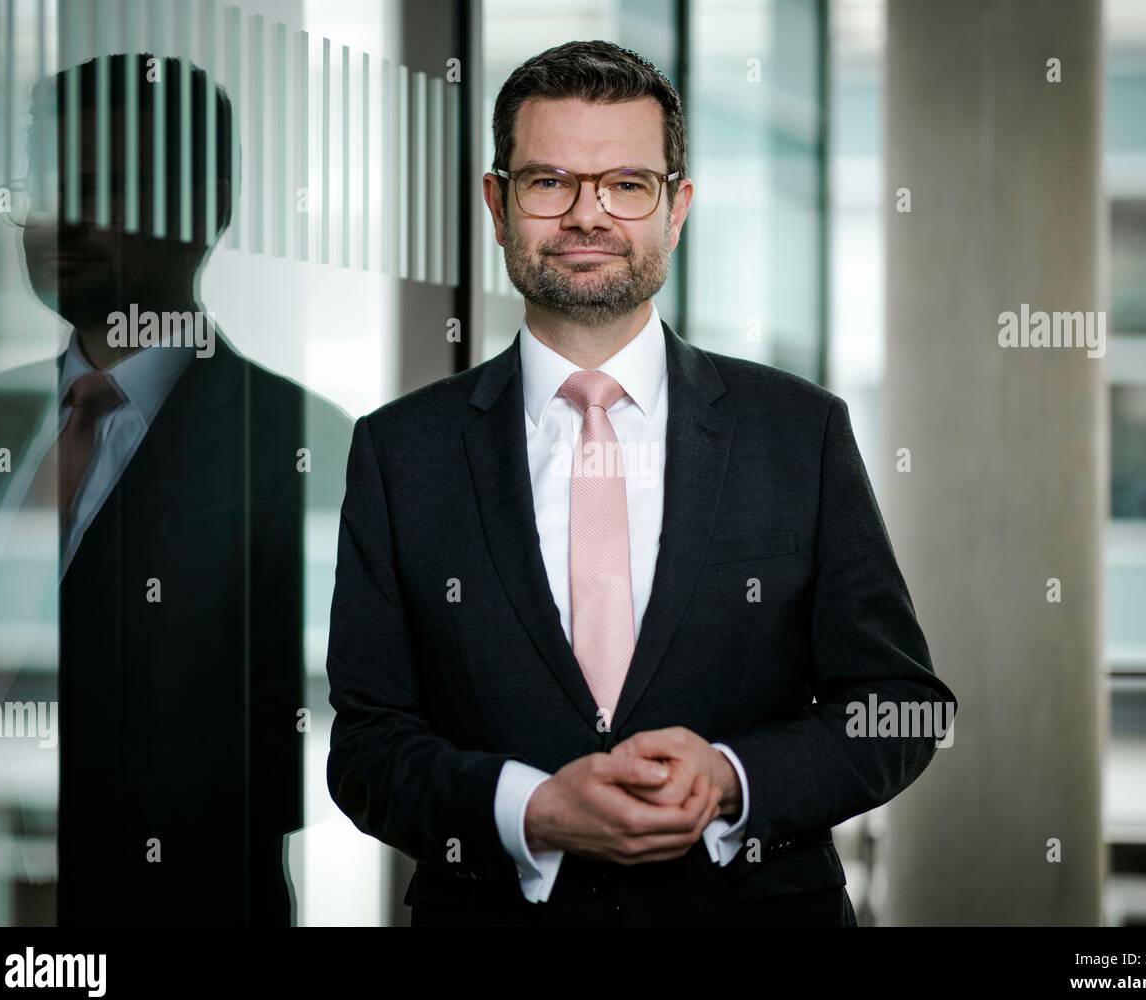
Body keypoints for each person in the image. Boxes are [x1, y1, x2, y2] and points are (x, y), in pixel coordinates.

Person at [325, 39, 955, 926]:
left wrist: (733, 779)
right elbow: (365, 747)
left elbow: (903, 708)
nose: (590, 215)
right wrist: (531, 809)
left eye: (628, 184)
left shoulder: (798, 430)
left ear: (677, 207)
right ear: (498, 205)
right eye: (550, 183)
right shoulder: (401, 452)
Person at [0, 54, 350, 925]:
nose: (60, 220)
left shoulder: (307, 448)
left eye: (100, 189)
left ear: (202, 209)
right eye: (48, 186)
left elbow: (319, 750)